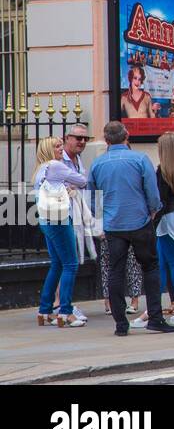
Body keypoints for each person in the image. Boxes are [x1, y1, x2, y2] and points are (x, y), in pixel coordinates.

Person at [87, 121, 174, 336]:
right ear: (126, 136)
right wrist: (153, 210)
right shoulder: (140, 159)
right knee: (150, 267)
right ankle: (155, 318)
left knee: (115, 271)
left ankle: (121, 324)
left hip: (113, 224)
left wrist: (101, 217)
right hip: (140, 221)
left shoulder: (98, 164)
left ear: (106, 140)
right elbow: (152, 191)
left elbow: (92, 197)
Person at [134, 132, 174, 328]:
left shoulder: (163, 172)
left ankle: (164, 310)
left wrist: (152, 220)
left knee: (166, 263)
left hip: (166, 220)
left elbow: (160, 201)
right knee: (171, 263)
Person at [33, 137, 87, 327]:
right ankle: (65, 312)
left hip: (45, 220)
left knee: (56, 264)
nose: (61, 149)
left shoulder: (41, 169)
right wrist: (69, 182)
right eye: (57, 146)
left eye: (60, 145)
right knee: (70, 264)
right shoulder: (56, 166)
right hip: (60, 220)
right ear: (48, 150)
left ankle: (45, 310)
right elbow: (82, 180)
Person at [58, 125, 96, 320]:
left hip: (77, 215)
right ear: (67, 138)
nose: (82, 142)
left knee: (65, 262)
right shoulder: (59, 159)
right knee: (67, 262)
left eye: (85, 139)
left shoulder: (78, 160)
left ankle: (59, 303)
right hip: (62, 217)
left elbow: (82, 183)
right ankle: (61, 305)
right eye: (77, 138)